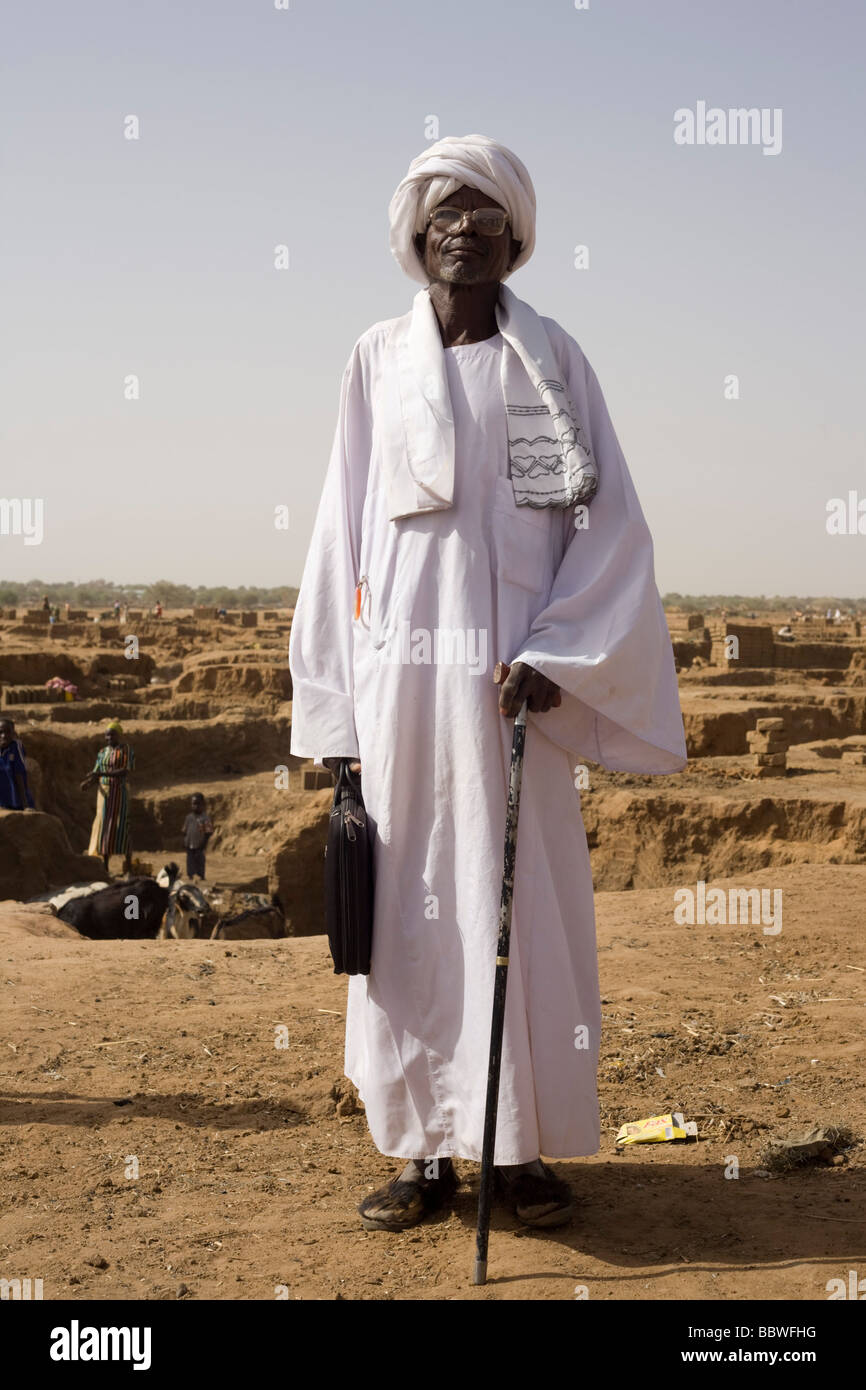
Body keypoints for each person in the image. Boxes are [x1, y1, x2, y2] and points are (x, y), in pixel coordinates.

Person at [289, 134, 686, 1234]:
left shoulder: (553, 362)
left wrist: (556, 657)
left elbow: (608, 533)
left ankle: (512, 1152)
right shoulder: (373, 359)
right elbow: (338, 539)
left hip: (514, 698)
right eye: (442, 215)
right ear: (416, 241)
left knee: (522, 911)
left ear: (515, 236)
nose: (462, 230)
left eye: (483, 214)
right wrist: (334, 714)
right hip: (401, 702)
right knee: (410, 928)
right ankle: (422, 1153)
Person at [81, 719, 134, 873]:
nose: (109, 738)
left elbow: (125, 771)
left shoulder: (126, 750)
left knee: (121, 825)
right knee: (104, 827)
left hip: (120, 793)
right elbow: (96, 773)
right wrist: (89, 783)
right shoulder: (102, 753)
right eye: (107, 735)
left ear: (119, 735)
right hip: (104, 794)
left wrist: (101, 774)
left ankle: (128, 865)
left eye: (112, 735)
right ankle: (105, 866)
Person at [0, 718, 34, 809]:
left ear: (13, 734)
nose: (3, 736)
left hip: (16, 797)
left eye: (8, 732)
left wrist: (25, 804)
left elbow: (19, 774)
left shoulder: (16, 747)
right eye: (1, 732)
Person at [182, 793, 213, 879]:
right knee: (190, 861)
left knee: (200, 861)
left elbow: (208, 832)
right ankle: (190, 877)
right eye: (193, 804)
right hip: (190, 844)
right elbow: (185, 830)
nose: (195, 806)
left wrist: (203, 844)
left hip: (199, 844)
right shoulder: (189, 817)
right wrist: (185, 841)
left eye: (198, 804)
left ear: (203, 805)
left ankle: (201, 877)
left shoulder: (204, 818)